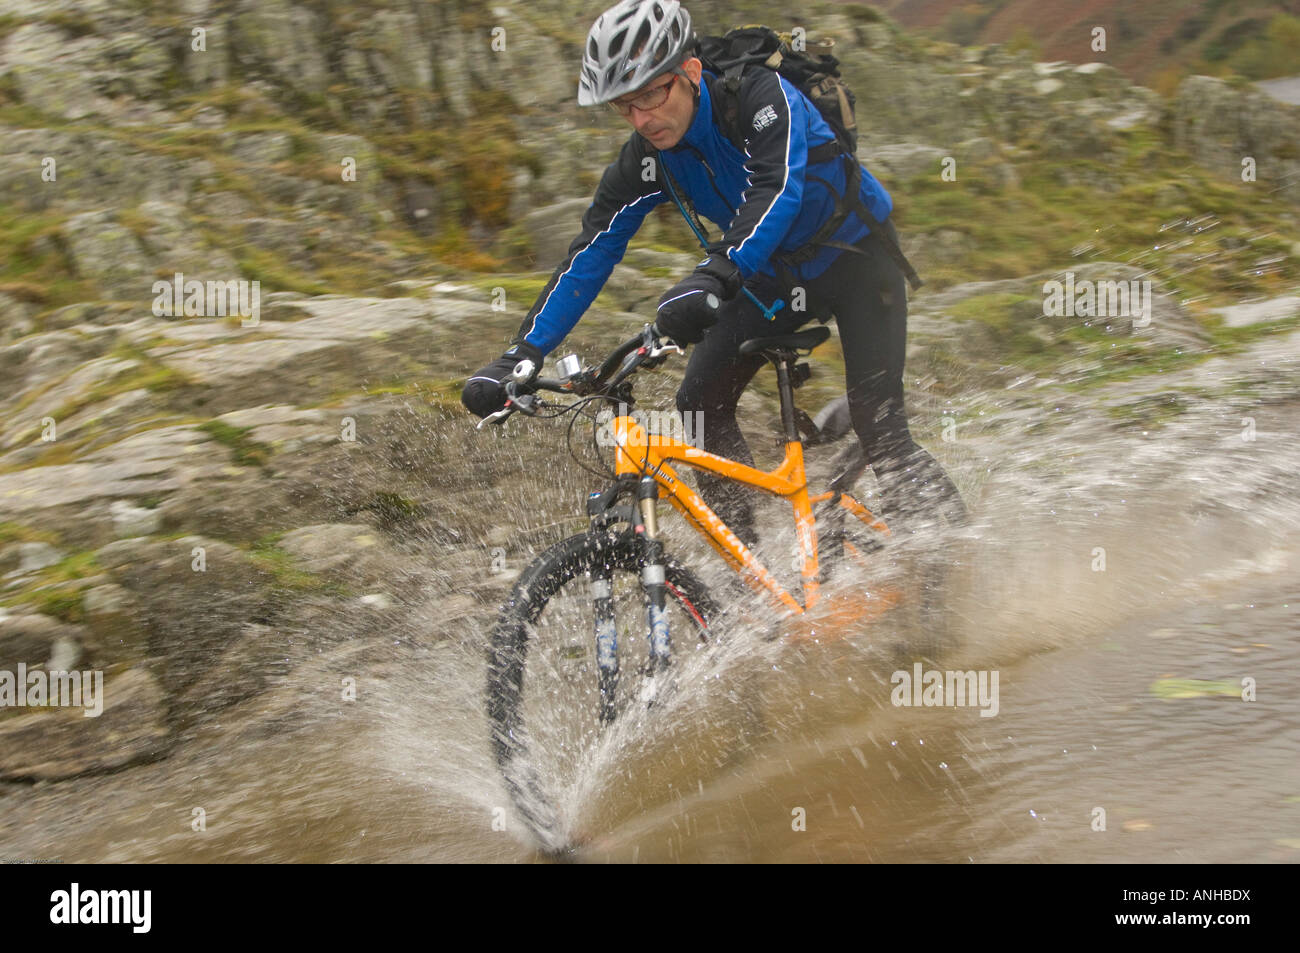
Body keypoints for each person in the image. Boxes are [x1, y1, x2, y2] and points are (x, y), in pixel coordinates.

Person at [462, 0, 967, 545]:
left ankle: (953, 562)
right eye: (623, 107)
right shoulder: (647, 157)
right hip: (767, 276)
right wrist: (522, 354)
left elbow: (778, 190)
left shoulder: (759, 98)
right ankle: (747, 573)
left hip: (857, 257)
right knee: (699, 404)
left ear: (691, 72)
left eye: (651, 95)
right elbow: (592, 253)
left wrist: (716, 273)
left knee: (880, 424)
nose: (641, 119)